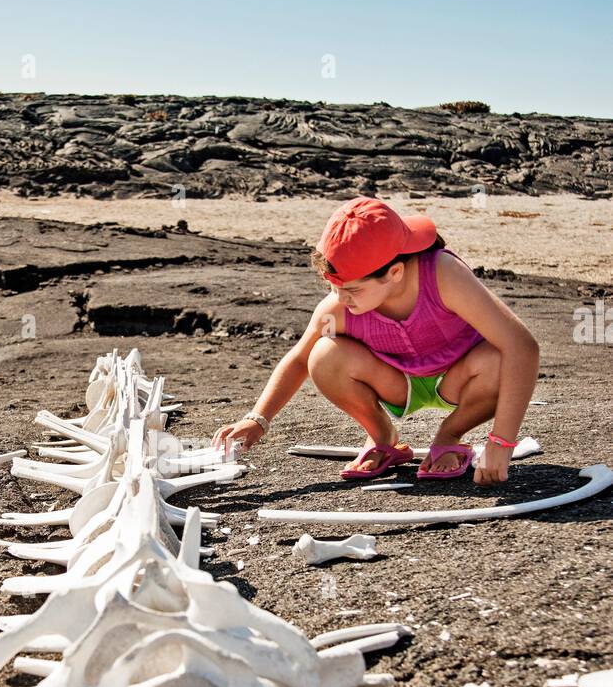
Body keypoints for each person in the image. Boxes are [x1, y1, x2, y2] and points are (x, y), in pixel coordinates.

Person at [211, 197, 539, 484]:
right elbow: (299, 360)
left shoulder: (443, 274)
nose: (340, 298)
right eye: (333, 287)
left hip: (462, 378)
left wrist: (501, 442)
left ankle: (450, 434)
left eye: (352, 290)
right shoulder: (339, 308)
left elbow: (521, 346)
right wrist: (257, 419)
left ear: (395, 273)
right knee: (323, 356)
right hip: (396, 383)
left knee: (499, 359)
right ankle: (383, 438)